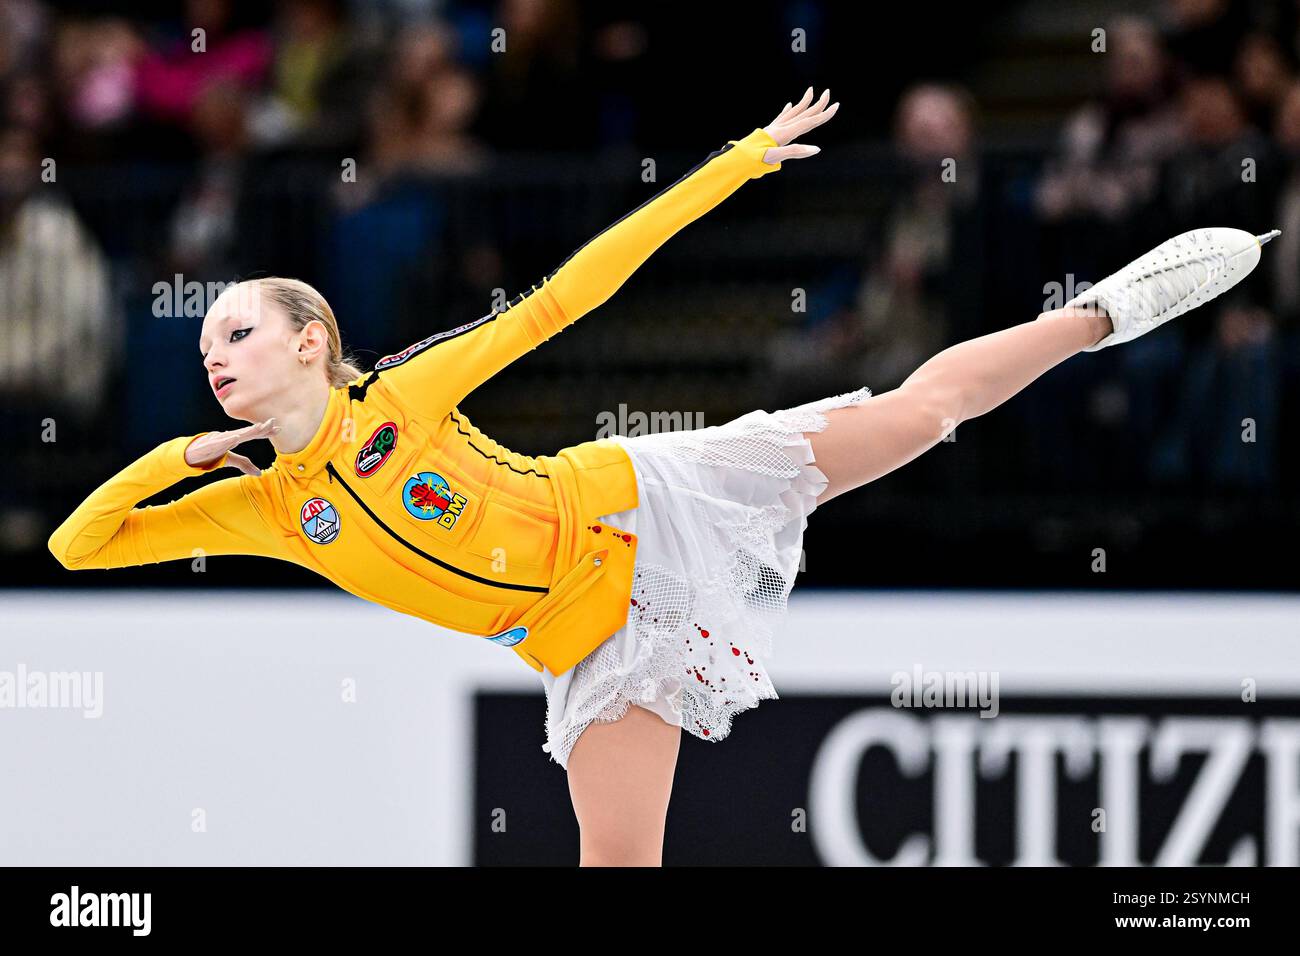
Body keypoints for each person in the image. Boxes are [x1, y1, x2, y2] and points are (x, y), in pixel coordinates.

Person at [46, 88, 1277, 866]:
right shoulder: (264, 505)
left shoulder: (402, 395)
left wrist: (737, 161)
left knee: (917, 413)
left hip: (644, 499)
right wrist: (173, 457)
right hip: (589, 640)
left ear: (311, 340)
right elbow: (78, 547)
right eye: (205, 349)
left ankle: (1101, 314)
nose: (216, 358)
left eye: (238, 336)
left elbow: (576, 290)